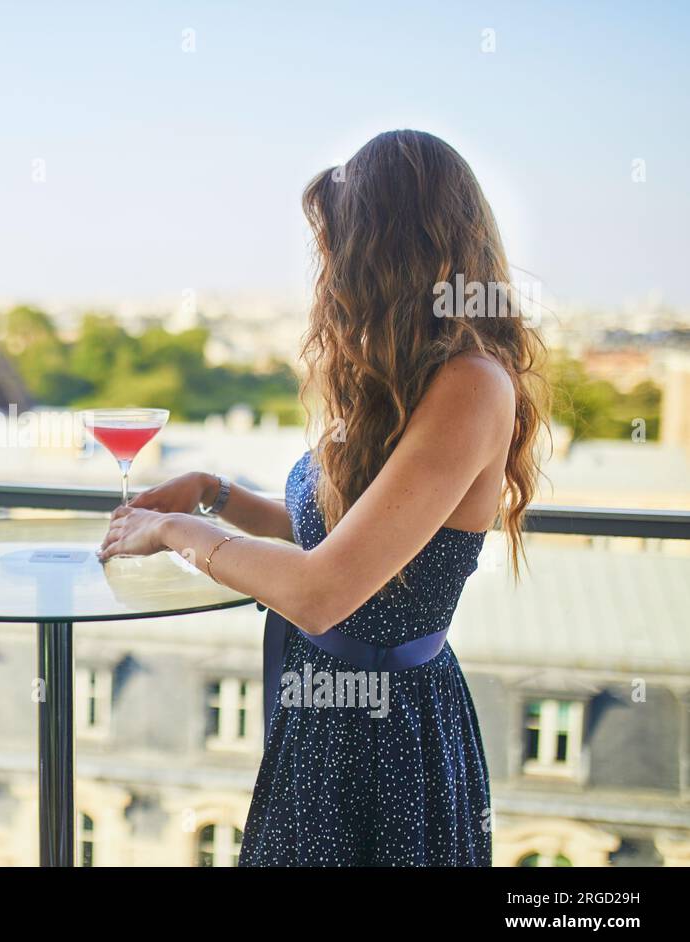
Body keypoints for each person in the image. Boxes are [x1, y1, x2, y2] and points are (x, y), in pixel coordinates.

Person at [98, 129, 550, 866]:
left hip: (385, 737)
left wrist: (177, 530)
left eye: (339, 248)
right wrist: (214, 494)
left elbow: (322, 591)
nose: (328, 273)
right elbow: (339, 537)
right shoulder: (406, 379)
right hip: (329, 717)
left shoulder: (469, 386)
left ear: (386, 252)